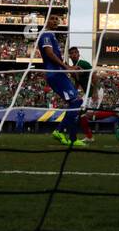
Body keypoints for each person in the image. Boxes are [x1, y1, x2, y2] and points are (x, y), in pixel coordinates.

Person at [36, 14, 86, 147]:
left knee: (76, 103)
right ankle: (60, 132)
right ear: (46, 21)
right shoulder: (46, 35)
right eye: (52, 18)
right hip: (55, 74)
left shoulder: (52, 36)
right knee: (76, 102)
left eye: (56, 19)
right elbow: (49, 54)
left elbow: (56, 57)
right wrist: (66, 67)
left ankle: (72, 138)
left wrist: (69, 68)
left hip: (59, 74)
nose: (54, 21)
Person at [68, 46, 96, 142]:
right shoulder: (74, 67)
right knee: (85, 115)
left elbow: (94, 74)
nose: (74, 55)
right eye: (71, 53)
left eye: (75, 53)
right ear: (69, 56)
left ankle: (115, 114)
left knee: (86, 115)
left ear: (79, 54)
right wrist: (74, 93)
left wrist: (95, 92)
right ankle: (89, 136)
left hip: (93, 91)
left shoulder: (83, 63)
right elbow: (77, 82)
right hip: (88, 93)